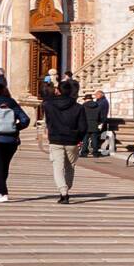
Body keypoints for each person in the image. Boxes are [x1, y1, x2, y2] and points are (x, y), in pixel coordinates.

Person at [0, 76, 30, 203]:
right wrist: (15, 128)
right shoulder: (12, 103)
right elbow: (25, 120)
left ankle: (1, 191)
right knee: (4, 166)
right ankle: (1, 190)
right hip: (11, 140)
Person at [41, 73, 87, 204]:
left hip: (56, 139)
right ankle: (66, 189)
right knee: (70, 166)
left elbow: (48, 122)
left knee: (58, 167)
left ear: (58, 91)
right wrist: (78, 138)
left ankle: (63, 191)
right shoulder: (78, 107)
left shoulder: (49, 105)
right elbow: (83, 126)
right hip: (72, 140)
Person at [80, 93, 103, 159]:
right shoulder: (98, 106)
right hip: (95, 124)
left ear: (86, 99)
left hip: (85, 124)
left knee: (85, 139)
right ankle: (95, 153)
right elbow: (101, 116)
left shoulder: (83, 106)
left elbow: (81, 116)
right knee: (94, 139)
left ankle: (84, 153)